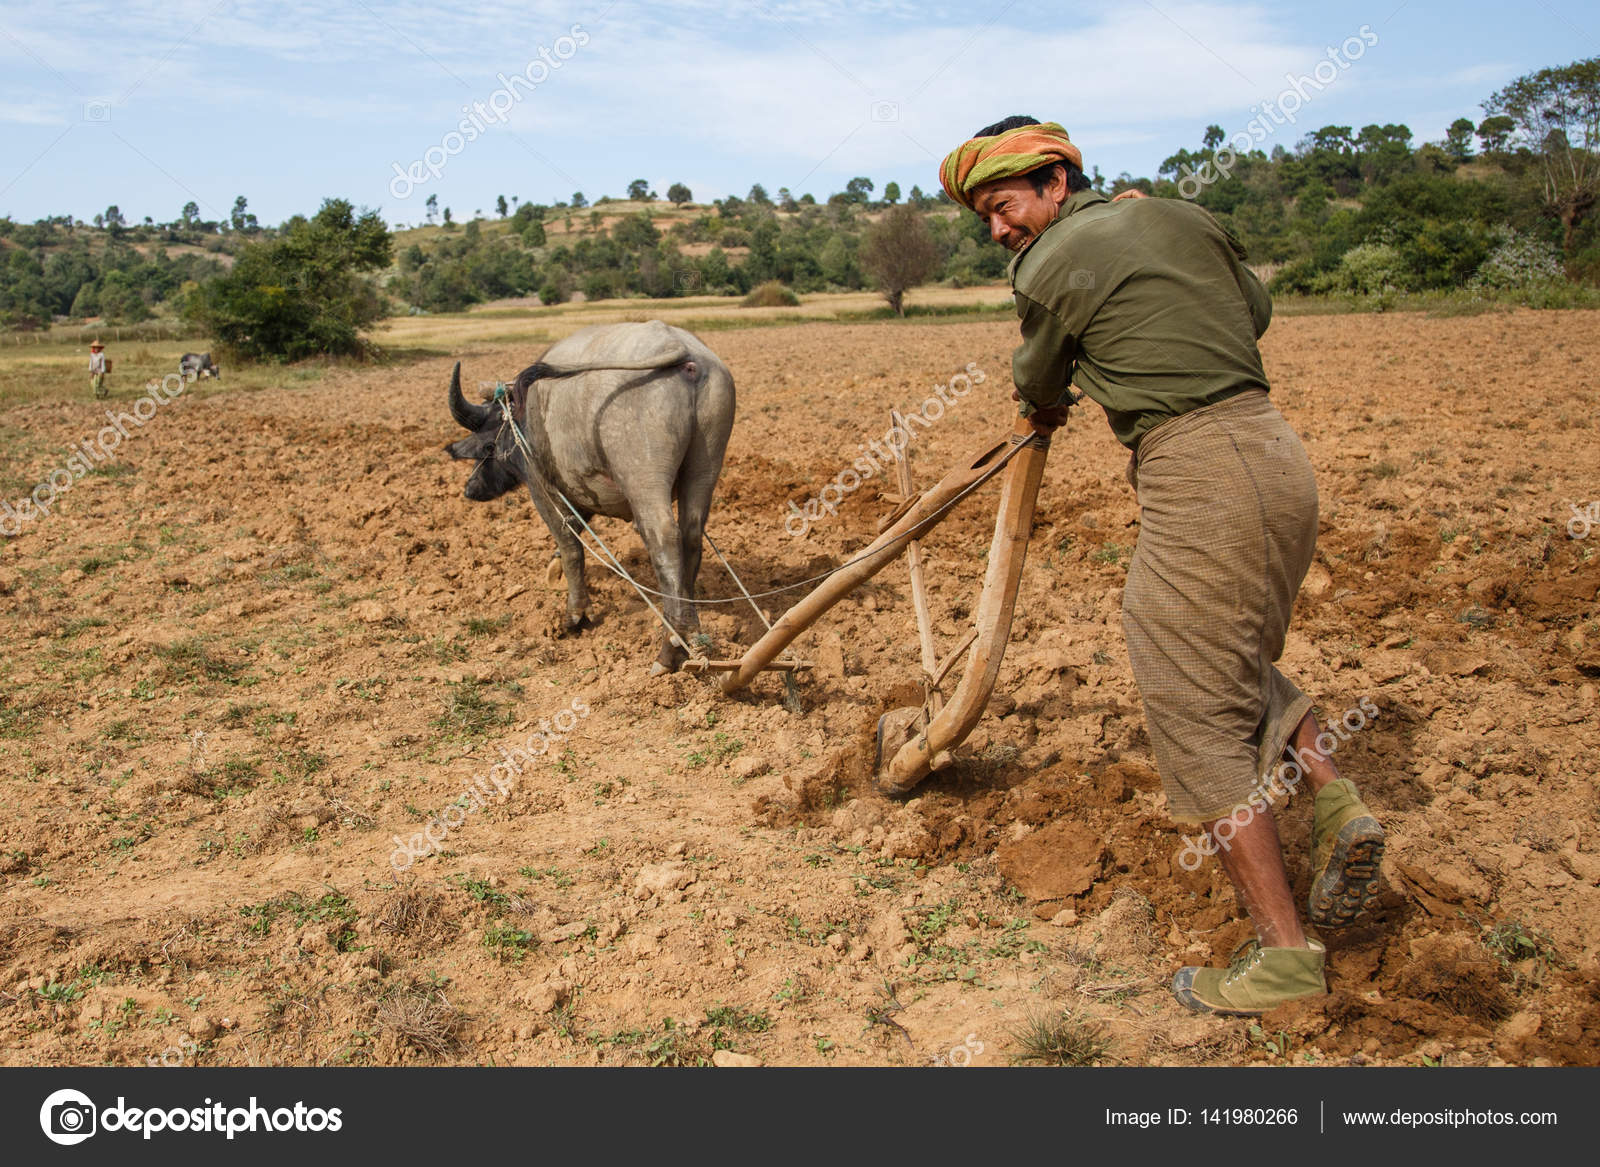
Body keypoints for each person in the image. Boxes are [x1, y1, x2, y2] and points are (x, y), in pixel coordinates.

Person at [938, 116, 1385, 1015]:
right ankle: (1337, 804)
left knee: (1187, 697)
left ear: (1058, 182)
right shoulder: (1185, 216)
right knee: (1216, 653)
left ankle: (1286, 958)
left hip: (1198, 469)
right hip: (1276, 457)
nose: (998, 230)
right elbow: (1251, 312)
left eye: (1004, 205)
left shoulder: (1050, 263)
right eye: (985, 217)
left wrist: (1041, 395)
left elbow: (1040, 375)